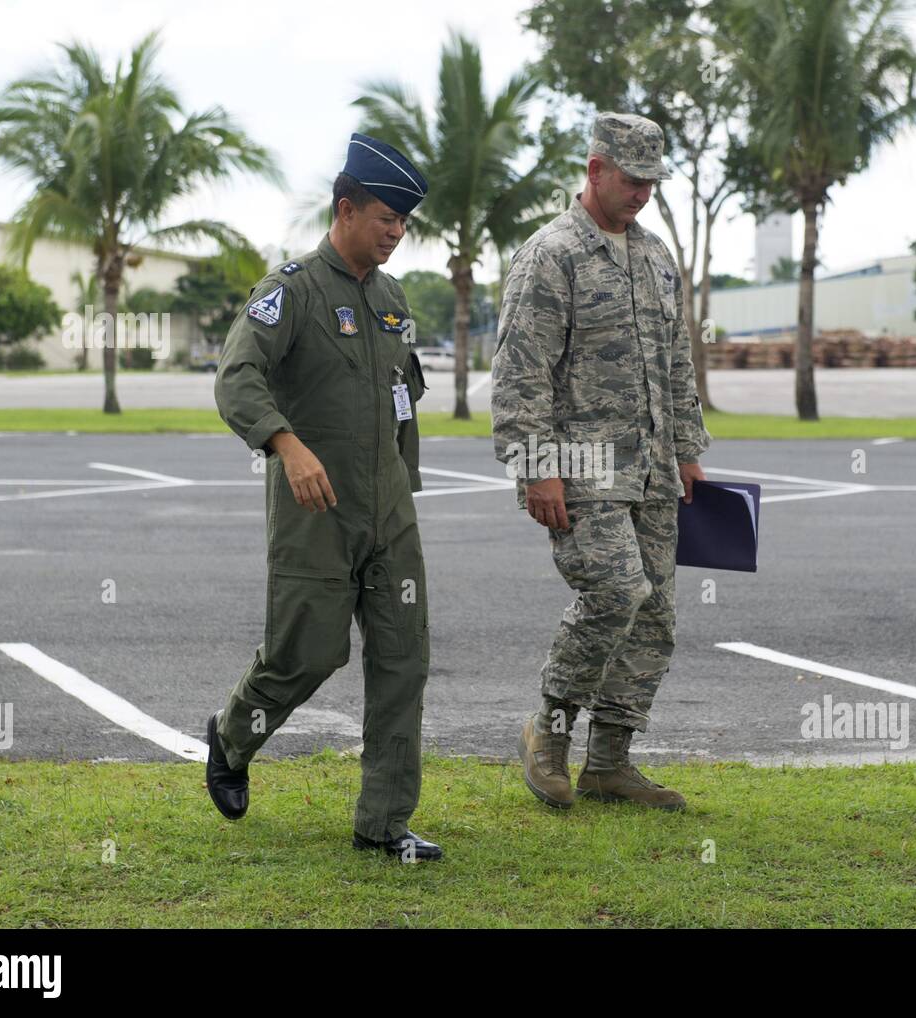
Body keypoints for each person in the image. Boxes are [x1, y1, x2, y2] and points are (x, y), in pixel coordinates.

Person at [204, 133, 442, 861]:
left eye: (404, 224)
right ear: (345, 209)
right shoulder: (293, 291)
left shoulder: (393, 297)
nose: (397, 233)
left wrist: (404, 483)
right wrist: (287, 444)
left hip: (389, 511)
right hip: (317, 513)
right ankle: (234, 734)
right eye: (385, 220)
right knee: (305, 654)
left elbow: (402, 392)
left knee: (404, 658)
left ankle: (383, 822)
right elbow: (236, 377)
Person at [491, 111, 711, 812]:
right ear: (595, 169)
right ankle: (548, 735)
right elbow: (520, 371)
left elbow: (678, 363)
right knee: (616, 593)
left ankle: (610, 762)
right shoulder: (552, 253)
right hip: (580, 467)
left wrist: (688, 451)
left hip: (650, 470)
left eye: (652, 181)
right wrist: (536, 467)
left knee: (655, 617)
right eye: (631, 178)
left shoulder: (655, 257)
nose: (643, 193)